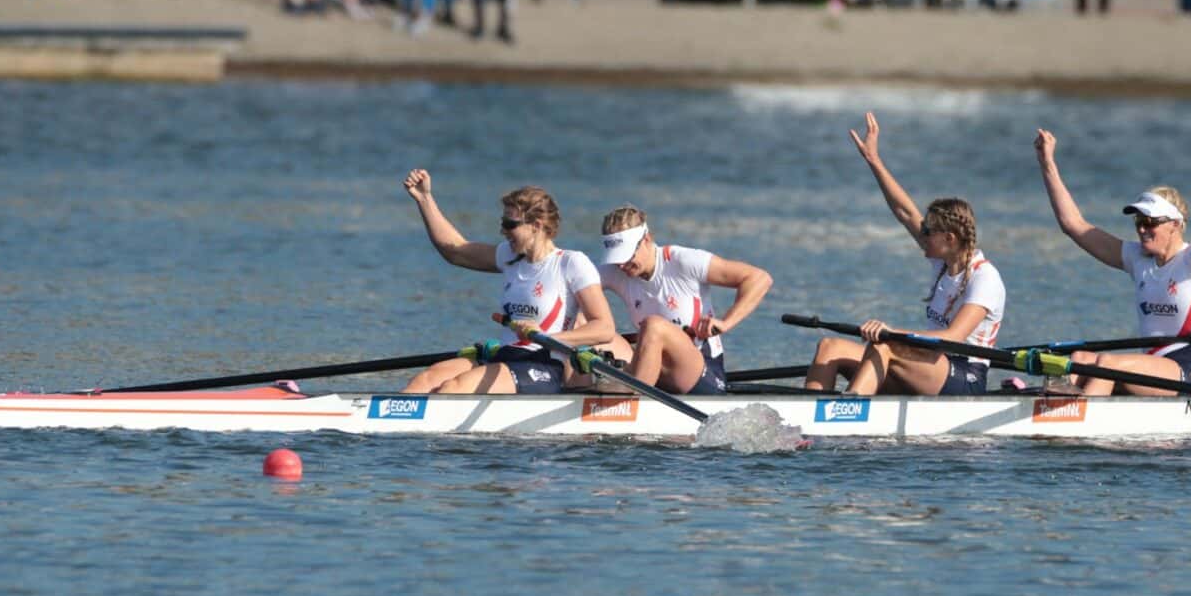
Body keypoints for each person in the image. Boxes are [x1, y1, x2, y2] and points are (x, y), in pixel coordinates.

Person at [1033, 121, 1191, 393]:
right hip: (1149, 368)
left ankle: (1077, 424)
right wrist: (1047, 163)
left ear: (1175, 225)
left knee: (1107, 362)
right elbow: (1075, 226)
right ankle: (1051, 414)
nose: (1142, 228)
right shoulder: (1137, 258)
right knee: (1078, 359)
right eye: (1138, 222)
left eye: (1150, 221)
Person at [804, 114, 1007, 397]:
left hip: (963, 376)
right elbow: (904, 212)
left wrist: (891, 332)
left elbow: (954, 337)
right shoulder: (943, 261)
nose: (921, 235)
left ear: (949, 238)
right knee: (830, 347)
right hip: (926, 365)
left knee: (884, 345)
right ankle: (807, 421)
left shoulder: (985, 278)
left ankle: (847, 412)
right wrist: (874, 160)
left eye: (928, 232)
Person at [400, 170, 620, 395]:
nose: (502, 231)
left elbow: (604, 328)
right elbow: (455, 251)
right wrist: (424, 199)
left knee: (455, 388)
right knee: (425, 380)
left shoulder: (571, 263)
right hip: (506, 355)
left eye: (509, 224)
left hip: (544, 364)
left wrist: (547, 337)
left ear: (537, 224)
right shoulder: (510, 256)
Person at [595, 207, 773, 395]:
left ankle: (632, 400)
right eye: (616, 258)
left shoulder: (683, 261)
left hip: (703, 373)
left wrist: (726, 322)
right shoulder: (616, 270)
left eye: (627, 255)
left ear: (646, 240)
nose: (621, 265)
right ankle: (574, 391)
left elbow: (759, 278)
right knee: (583, 323)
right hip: (654, 370)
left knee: (654, 326)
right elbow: (572, 289)